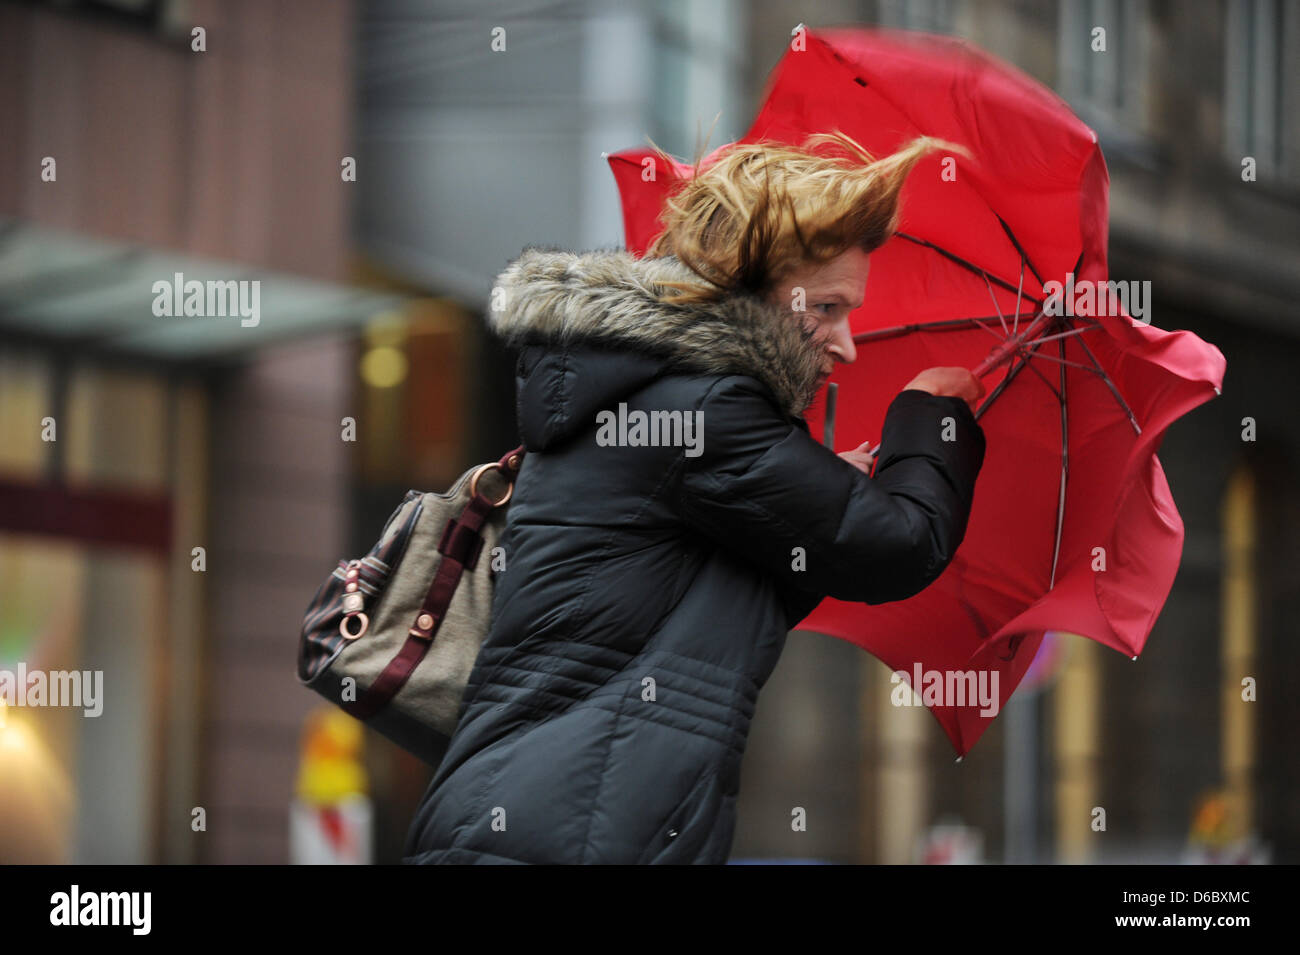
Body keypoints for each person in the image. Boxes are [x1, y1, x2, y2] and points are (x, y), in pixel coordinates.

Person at [403, 131, 986, 864]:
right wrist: (929, 416)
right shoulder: (704, 409)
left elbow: (708, 602)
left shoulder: (666, 396)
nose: (846, 345)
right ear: (752, 287)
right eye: (829, 307)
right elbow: (897, 545)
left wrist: (818, 493)